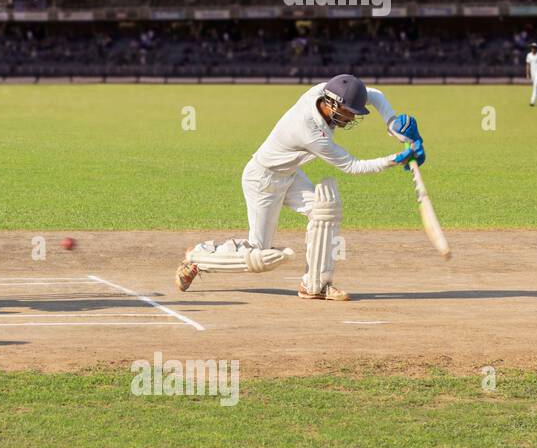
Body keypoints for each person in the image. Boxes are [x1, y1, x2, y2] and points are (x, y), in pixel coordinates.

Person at [175, 74, 425, 301]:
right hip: (263, 181)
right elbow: (352, 166)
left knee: (325, 211)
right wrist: (396, 159)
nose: (351, 118)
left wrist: (392, 122)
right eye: (349, 112)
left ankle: (315, 285)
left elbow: (375, 95)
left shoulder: (326, 90)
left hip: (289, 174)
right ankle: (199, 256)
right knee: (259, 253)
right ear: (332, 104)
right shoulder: (311, 131)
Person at [525, 42, 537, 107]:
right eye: (532, 47)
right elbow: (528, 65)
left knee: (535, 85)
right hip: (532, 73)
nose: (533, 48)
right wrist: (527, 74)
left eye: (534, 47)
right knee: (536, 87)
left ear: (536, 48)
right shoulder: (529, 55)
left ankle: (532, 101)